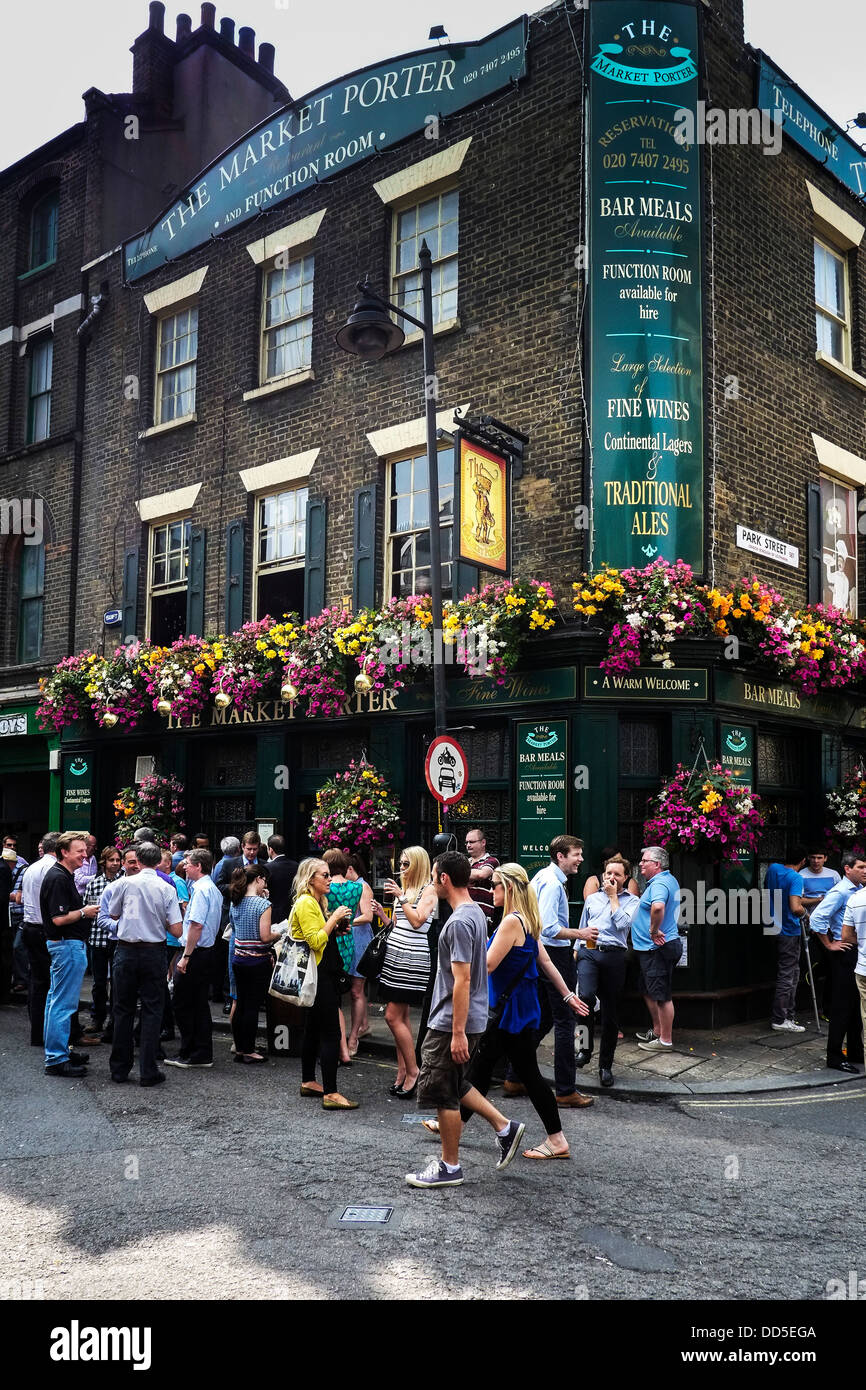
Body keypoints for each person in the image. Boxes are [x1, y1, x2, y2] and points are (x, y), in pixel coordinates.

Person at [431, 862, 589, 1160]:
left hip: (508, 1011)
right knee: (483, 1068)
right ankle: (453, 1125)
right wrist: (567, 995)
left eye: (496, 886)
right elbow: (545, 963)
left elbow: (487, 964)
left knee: (522, 1074)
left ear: (511, 888)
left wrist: (460, 960)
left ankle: (556, 1140)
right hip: (517, 1008)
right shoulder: (527, 920)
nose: (492, 892)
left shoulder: (511, 923)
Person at [405, 851, 526, 1189]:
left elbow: (461, 980)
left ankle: (450, 1167)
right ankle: (505, 1127)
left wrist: (456, 1032)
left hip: (451, 1021)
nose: (431, 881)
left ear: (444, 878)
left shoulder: (458, 922)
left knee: (442, 1092)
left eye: (433, 876)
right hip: (467, 1018)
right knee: (456, 1084)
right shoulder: (474, 912)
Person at [108, 841, 182, 1087]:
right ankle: (148, 1071)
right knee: (152, 1010)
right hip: (153, 951)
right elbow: (176, 928)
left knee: (123, 1008)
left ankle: (119, 1069)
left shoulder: (123, 884)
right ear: (159, 862)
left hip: (126, 949)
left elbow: (113, 914)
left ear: (137, 861)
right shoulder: (166, 887)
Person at [528, 834, 593, 1107]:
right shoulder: (553, 884)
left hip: (540, 954)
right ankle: (566, 1090)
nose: (580, 859)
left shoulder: (542, 877)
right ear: (561, 856)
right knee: (566, 1020)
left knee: (542, 1018)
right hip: (553, 955)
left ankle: (514, 1075)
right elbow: (549, 928)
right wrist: (582, 933)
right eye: (576, 854)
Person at [289, 858, 357, 1109]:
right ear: (310, 880)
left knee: (313, 1030)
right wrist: (335, 916)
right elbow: (316, 941)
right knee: (331, 1033)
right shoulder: (306, 902)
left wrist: (336, 928)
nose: (330, 879)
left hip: (321, 974)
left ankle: (308, 1081)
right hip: (318, 978)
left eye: (329, 874)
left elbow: (320, 935)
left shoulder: (316, 901)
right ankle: (331, 1093)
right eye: (325, 875)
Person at [575, 854, 640, 1085]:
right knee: (583, 999)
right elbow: (583, 925)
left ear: (626, 878)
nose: (611, 877)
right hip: (589, 952)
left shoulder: (632, 901)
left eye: (617, 874)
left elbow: (623, 925)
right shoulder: (592, 899)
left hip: (614, 955)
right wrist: (577, 950)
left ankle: (605, 1066)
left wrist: (614, 898)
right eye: (608, 873)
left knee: (611, 1013)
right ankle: (583, 1048)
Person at [378, 846, 437, 1097]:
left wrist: (401, 897)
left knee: (392, 1016)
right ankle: (402, 1071)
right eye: (400, 863)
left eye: (405, 864)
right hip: (395, 954)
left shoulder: (429, 890)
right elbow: (399, 925)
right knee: (399, 1017)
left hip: (412, 958)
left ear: (418, 865)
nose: (401, 868)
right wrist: (381, 914)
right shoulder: (405, 890)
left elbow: (417, 922)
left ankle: (414, 1071)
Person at [39, 832, 99, 1078]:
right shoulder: (58, 878)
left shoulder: (62, 876)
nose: (85, 855)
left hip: (65, 945)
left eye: (85, 850)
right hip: (66, 946)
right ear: (64, 851)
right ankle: (56, 1058)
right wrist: (85, 912)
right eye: (80, 851)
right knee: (62, 1004)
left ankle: (59, 1051)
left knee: (56, 1001)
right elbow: (59, 918)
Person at [165, 848, 223, 1069]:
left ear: (199, 866)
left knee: (183, 1002)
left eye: (188, 863)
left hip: (195, 953)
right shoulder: (212, 889)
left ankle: (190, 1052)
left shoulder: (200, 890)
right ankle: (201, 1052)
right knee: (198, 1004)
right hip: (206, 952)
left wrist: (186, 957)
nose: (184, 866)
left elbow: (196, 925)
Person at [808, 850, 866, 1072]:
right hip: (843, 952)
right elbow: (816, 918)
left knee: (854, 1005)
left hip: (854, 951)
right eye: (860, 867)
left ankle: (855, 1051)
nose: (865, 871)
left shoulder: (858, 890)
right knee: (842, 1006)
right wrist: (830, 944)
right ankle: (834, 1056)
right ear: (847, 869)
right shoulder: (840, 891)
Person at [228, 864, 282, 1062]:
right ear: (258, 879)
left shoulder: (236, 901)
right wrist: (281, 933)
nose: (265, 884)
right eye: (264, 880)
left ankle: (241, 1048)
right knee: (252, 1006)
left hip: (238, 958)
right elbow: (265, 936)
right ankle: (249, 1050)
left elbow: (234, 928)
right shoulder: (263, 905)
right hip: (258, 961)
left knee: (241, 1003)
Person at [631, 846, 683, 1051]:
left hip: (657, 947)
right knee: (649, 989)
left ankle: (665, 1041)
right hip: (651, 948)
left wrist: (653, 931)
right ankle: (658, 1031)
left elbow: (658, 907)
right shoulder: (668, 880)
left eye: (644, 861)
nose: (641, 863)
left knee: (662, 995)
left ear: (657, 864)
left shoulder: (660, 883)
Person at [323, 849, 373, 1062]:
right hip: (350, 942)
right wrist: (347, 922)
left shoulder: (325, 889)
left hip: (331, 942)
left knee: (333, 995)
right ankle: (353, 1039)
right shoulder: (358, 887)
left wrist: (336, 922)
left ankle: (341, 1043)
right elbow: (367, 915)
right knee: (356, 992)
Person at [20, 831, 59, 1047]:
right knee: (52, 983)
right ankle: (50, 1033)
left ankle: (37, 1032)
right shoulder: (53, 869)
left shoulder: (31, 868)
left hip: (30, 926)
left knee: (37, 981)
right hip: (45, 929)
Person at [765, 845, 808, 1034]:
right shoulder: (796, 877)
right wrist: (806, 913)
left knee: (790, 971)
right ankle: (781, 1018)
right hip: (789, 929)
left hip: (771, 926)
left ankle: (787, 1014)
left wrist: (815, 900)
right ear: (803, 861)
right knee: (788, 974)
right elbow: (795, 907)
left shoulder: (773, 868)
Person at [82, 846, 123, 1035]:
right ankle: (97, 1018)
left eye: (117, 860)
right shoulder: (95, 883)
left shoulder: (125, 882)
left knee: (117, 983)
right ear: (104, 862)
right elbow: (87, 909)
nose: (115, 863)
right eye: (111, 860)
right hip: (97, 938)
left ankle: (114, 1023)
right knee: (99, 983)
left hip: (116, 939)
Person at [345, 853, 374, 1055]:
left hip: (360, 940)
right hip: (352, 939)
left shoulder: (362, 887)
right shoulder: (353, 886)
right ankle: (363, 1026)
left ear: (350, 869)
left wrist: (345, 922)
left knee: (356, 990)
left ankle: (353, 1038)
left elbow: (367, 916)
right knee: (357, 990)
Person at [465, 828, 499, 924]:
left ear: (483, 842)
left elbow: (482, 874)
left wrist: (461, 876)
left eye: (471, 842)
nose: (468, 845)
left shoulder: (492, 861)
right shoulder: (464, 862)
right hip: (464, 914)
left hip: (483, 917)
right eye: (466, 842)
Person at [265, 834, 298, 924]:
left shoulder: (267, 868)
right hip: (293, 912)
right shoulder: (296, 866)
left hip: (273, 914)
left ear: (270, 850)